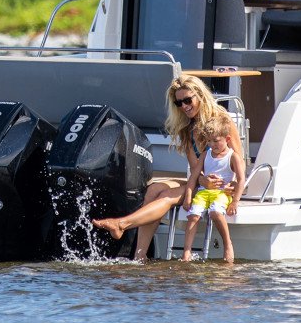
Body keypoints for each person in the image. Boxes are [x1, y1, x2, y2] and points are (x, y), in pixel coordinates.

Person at [91, 74, 244, 261]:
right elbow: (196, 167)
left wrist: (234, 184)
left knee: (166, 196)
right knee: (154, 187)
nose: (184, 106)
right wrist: (202, 179)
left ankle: (122, 224)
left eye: (188, 100)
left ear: (200, 96)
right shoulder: (187, 129)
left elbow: (238, 157)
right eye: (179, 103)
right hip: (199, 181)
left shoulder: (222, 120)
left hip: (222, 185)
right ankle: (140, 255)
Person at [180, 120, 243, 264]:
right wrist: (188, 196)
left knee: (215, 212)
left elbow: (240, 180)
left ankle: (227, 244)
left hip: (222, 193)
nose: (212, 144)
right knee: (193, 215)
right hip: (204, 192)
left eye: (216, 141)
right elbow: (194, 176)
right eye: (209, 141)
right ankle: (187, 251)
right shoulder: (205, 155)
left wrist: (235, 201)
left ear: (227, 139)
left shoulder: (233, 157)